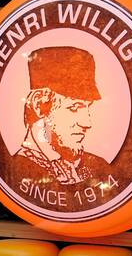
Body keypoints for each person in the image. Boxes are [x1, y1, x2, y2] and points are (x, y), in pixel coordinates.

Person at [7, 45, 115, 191]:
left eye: (87, 107)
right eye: (74, 107)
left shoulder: (98, 166)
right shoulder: (15, 172)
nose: (87, 123)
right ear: (39, 104)